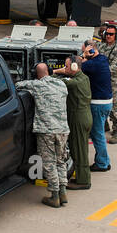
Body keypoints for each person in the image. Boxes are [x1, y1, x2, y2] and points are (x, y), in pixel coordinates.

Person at [15, 62, 70, 208]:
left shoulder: (36, 85)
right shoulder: (61, 85)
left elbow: (18, 85)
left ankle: (54, 195)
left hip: (46, 130)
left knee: (49, 162)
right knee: (61, 160)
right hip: (63, 129)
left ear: (37, 74)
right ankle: (63, 191)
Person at [55, 55, 93, 190]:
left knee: (79, 150)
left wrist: (54, 72)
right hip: (85, 116)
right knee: (80, 148)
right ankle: (82, 177)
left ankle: (83, 181)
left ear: (74, 67)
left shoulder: (74, 83)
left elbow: (57, 83)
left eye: (66, 66)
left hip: (78, 118)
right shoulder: (84, 78)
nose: (65, 68)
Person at [79, 41, 113, 172]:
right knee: (99, 133)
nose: (83, 53)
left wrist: (84, 56)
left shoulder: (91, 64)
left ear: (92, 51)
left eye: (85, 51)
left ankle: (102, 163)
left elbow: (76, 67)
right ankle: (104, 160)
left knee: (97, 134)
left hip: (98, 105)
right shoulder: (103, 59)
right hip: (106, 103)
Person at [98, 25, 117, 144]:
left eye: (111, 34)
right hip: (101, 81)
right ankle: (104, 125)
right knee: (99, 104)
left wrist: (96, 69)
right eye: (107, 34)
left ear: (116, 36)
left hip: (113, 83)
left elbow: (112, 68)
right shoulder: (101, 46)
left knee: (115, 107)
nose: (108, 36)